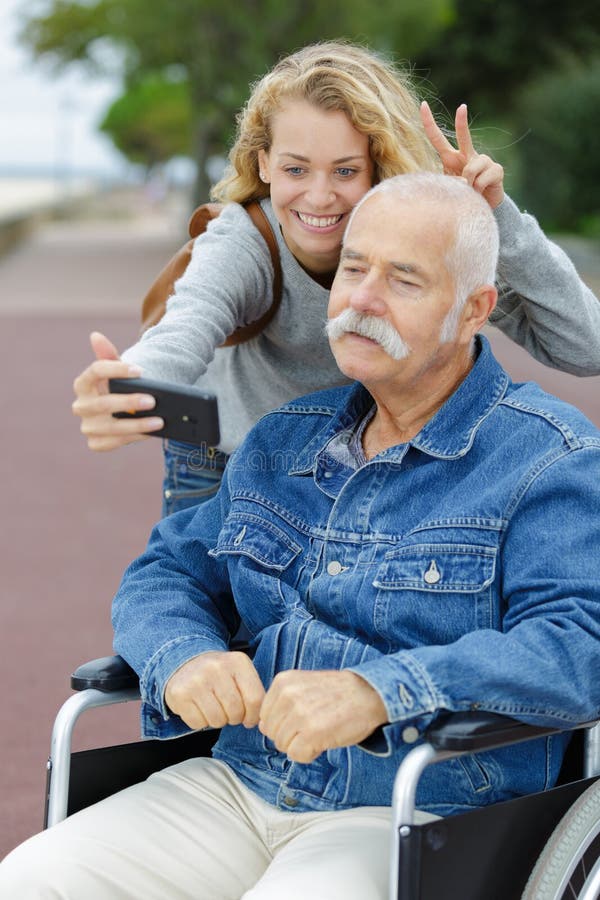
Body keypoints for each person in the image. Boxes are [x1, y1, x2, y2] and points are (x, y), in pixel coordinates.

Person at [4, 173, 600, 900]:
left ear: (474, 309)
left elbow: (580, 646)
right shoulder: (284, 439)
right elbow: (168, 573)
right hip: (240, 781)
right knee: (31, 879)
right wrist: (184, 654)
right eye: (354, 268)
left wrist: (379, 692)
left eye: (403, 280)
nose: (361, 299)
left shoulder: (547, 457)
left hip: (412, 805)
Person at [71, 41, 600, 516]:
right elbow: (188, 325)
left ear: (379, 166)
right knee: (208, 610)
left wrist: (498, 219)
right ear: (266, 163)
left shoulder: (414, 245)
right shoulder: (245, 242)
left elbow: (585, 347)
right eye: (296, 169)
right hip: (228, 459)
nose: (320, 197)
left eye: (345, 171)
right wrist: (131, 384)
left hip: (352, 457)